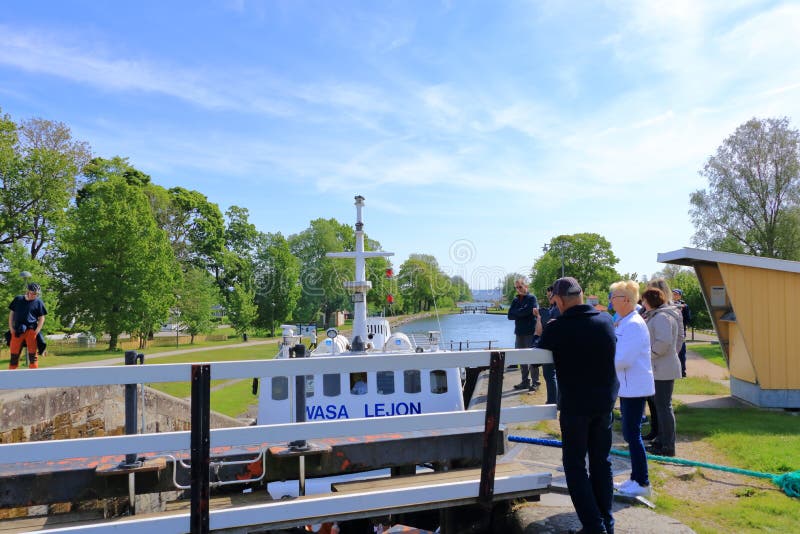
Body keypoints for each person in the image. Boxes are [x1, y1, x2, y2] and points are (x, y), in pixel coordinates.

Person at [536, 277, 617, 534]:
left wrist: (545, 327)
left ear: (559, 301)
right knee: (601, 463)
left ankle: (594, 527)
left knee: (574, 467)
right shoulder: (605, 320)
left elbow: (539, 348)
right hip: (604, 404)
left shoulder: (558, 327)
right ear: (582, 295)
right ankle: (607, 523)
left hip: (575, 407)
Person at [609, 281, 655, 497]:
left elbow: (624, 359)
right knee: (630, 433)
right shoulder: (626, 321)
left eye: (614, 296)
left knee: (632, 434)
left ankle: (642, 482)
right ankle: (635, 478)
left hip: (635, 387)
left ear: (626, 300)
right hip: (628, 387)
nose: (611, 300)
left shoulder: (634, 324)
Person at [641, 287, 681, 457]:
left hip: (662, 368)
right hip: (659, 367)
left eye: (643, 300)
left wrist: (648, 356)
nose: (642, 303)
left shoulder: (662, 317)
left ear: (650, 301)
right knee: (660, 406)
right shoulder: (658, 316)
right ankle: (661, 440)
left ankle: (667, 446)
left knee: (664, 407)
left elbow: (663, 342)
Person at [507, 277, 539, 391]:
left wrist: (518, 312)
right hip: (519, 333)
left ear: (526, 287)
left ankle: (536, 382)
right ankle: (525, 381)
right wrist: (521, 312)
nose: (518, 289)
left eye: (520, 287)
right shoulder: (515, 300)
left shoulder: (532, 298)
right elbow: (509, 316)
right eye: (516, 287)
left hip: (530, 332)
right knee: (521, 358)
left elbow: (528, 311)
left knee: (532, 358)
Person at [8, 283, 47, 369]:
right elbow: (11, 314)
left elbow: (42, 317)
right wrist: (11, 327)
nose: (35, 295)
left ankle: (34, 375)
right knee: (14, 355)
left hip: (31, 330)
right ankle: (11, 376)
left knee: (33, 355)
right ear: (28, 291)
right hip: (17, 330)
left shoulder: (38, 302)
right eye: (33, 293)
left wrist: (37, 331)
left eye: (37, 294)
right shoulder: (18, 299)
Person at [537, 285, 560, 405]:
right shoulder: (553, 308)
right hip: (553, 345)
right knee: (551, 375)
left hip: (551, 346)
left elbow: (549, 325)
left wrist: (540, 317)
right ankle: (556, 401)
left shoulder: (557, 309)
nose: (548, 297)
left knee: (550, 374)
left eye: (550, 295)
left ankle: (552, 401)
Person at [672, 289, 691, 377]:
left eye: (676, 294)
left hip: (681, 332)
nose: (674, 296)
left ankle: (683, 371)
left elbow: (688, 319)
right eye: (673, 294)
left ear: (680, 296)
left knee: (682, 352)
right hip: (671, 331)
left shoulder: (684, 306)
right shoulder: (669, 305)